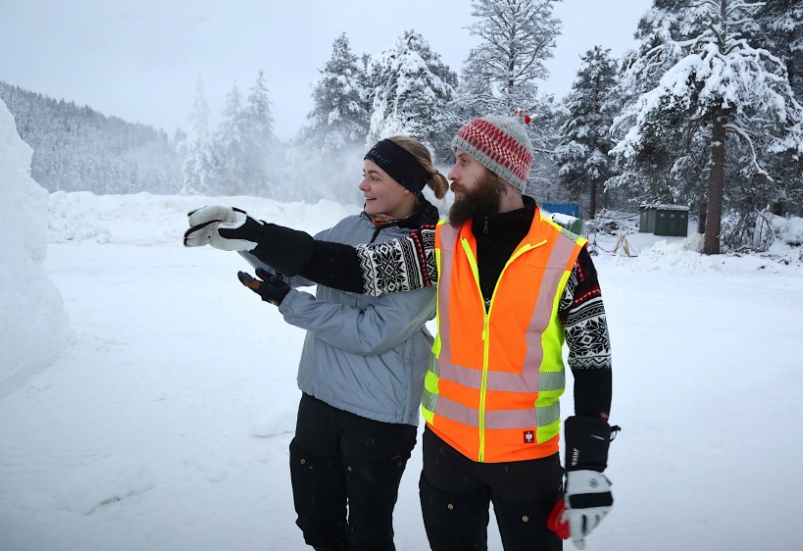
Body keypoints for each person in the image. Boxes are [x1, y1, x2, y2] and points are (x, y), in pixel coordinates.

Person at [185, 114, 617, 551]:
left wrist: (588, 464)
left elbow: (594, 361)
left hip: (526, 460)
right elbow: (352, 266)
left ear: (499, 172)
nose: (452, 174)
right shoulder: (442, 243)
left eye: (465, 162)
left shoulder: (566, 256)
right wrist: (255, 235)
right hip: (448, 454)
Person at [186, 136, 449, 551]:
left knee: (368, 536)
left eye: (374, 177)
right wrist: (249, 244)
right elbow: (298, 266)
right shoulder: (351, 227)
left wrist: (291, 305)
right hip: (319, 398)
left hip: (378, 415)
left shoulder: (429, 249)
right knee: (316, 524)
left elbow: (373, 333)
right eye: (363, 174)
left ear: (407, 185)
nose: (362, 185)